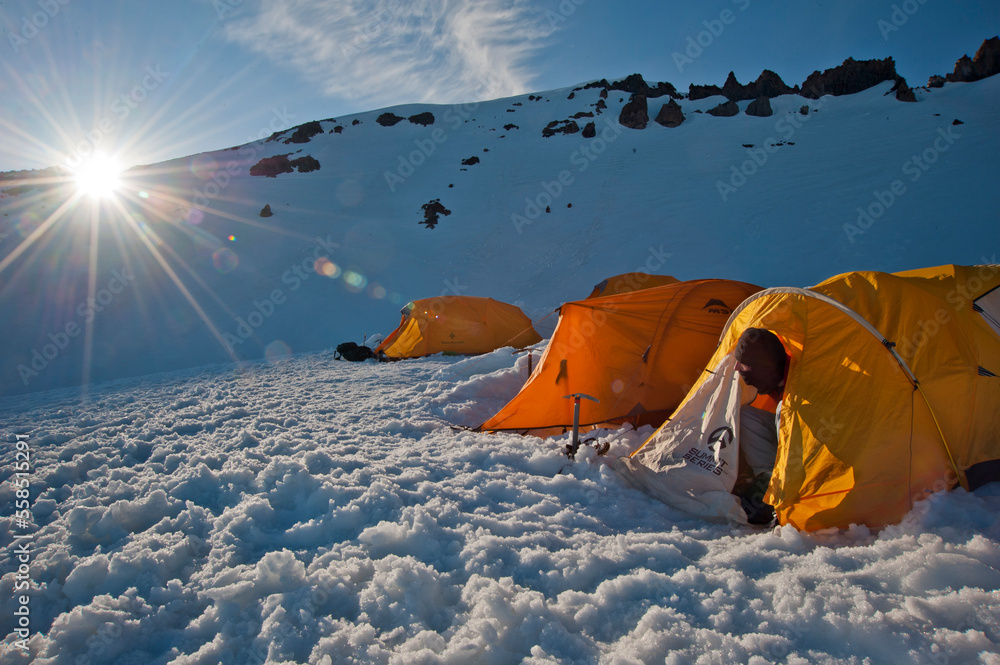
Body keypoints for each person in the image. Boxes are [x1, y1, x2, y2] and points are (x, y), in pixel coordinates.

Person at [732, 328, 789, 525]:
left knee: (786, 409)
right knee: (745, 415)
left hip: (805, 446)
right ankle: (767, 476)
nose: (738, 369)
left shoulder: (797, 382)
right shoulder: (776, 373)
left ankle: (781, 489)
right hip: (784, 433)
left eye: (745, 366)